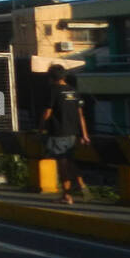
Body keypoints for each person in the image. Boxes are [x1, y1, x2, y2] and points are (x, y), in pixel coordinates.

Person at [40, 64, 89, 205]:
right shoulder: (73, 91)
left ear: (51, 78)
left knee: (62, 166)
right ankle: (81, 184)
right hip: (73, 133)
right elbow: (81, 115)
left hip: (58, 133)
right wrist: (84, 135)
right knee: (70, 160)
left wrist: (40, 129)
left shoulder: (53, 91)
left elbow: (47, 113)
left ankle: (67, 196)